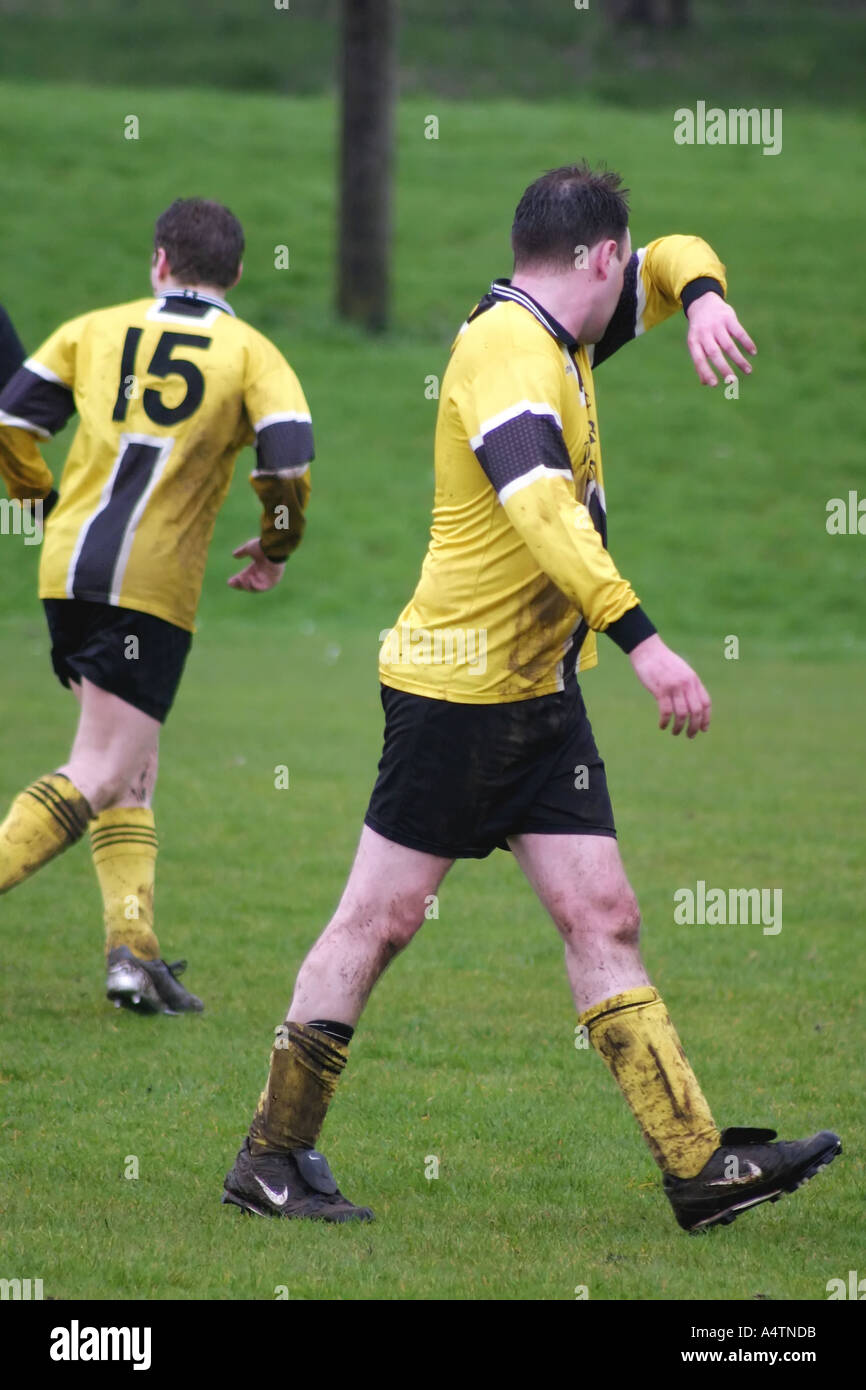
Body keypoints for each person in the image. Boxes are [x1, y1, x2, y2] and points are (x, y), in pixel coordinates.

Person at [222, 164, 840, 1231]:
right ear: (596, 257)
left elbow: (677, 253)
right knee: (379, 919)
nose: (636, 275)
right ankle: (271, 1158)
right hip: (455, 691)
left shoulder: (568, 331)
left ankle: (697, 1168)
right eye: (628, 262)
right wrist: (643, 643)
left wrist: (701, 295)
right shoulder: (506, 353)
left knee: (604, 913)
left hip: (536, 697)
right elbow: (543, 511)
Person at [0, 198, 313, 1016]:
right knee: (102, 768)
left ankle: (131, 956)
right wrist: (277, 544)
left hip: (67, 573)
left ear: (160, 263)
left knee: (130, 772)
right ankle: (130, 956)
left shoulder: (94, 329)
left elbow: (9, 419)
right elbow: (287, 469)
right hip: (150, 590)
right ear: (238, 274)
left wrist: (35, 497)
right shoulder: (254, 353)